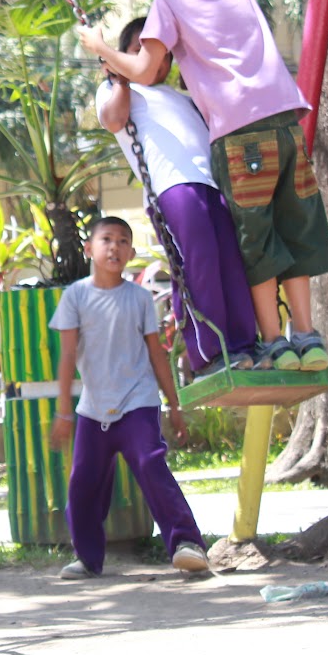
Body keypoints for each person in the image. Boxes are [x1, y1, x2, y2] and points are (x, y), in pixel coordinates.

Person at [81, 0, 328, 371]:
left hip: (234, 148)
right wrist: (114, 69)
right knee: (249, 244)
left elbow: (145, 67)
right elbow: (118, 110)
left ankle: (264, 342)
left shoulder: (172, 26)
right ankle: (280, 339)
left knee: (248, 248)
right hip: (280, 122)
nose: (155, 57)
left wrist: (100, 45)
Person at [49, 217, 209, 580]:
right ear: (89, 249)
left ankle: (187, 544)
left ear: (131, 253)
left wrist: (175, 406)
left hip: (138, 401)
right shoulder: (75, 295)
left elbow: (156, 354)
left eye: (123, 241)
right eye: (106, 239)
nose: (114, 247)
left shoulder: (139, 298)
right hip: (93, 409)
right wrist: (63, 412)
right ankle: (89, 558)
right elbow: (68, 356)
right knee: (84, 482)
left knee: (151, 464)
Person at [98, 17, 257, 376]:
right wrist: (120, 74)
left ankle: (244, 345)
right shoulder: (117, 90)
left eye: (159, 54)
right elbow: (113, 120)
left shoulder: (183, 98)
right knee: (197, 265)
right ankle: (207, 354)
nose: (149, 59)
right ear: (123, 56)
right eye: (138, 50)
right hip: (172, 187)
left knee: (230, 264)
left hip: (212, 186)